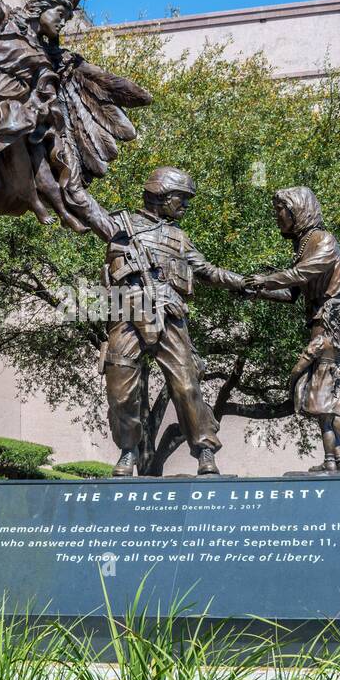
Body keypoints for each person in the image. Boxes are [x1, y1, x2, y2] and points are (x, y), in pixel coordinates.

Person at [72, 167, 246, 476]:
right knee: (120, 389)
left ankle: (205, 450)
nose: (186, 206)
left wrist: (246, 283)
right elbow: (82, 203)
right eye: (182, 199)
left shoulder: (179, 238)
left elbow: (207, 270)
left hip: (169, 314)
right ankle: (128, 450)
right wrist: (69, 167)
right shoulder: (118, 226)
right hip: (126, 316)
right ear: (162, 195)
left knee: (186, 384)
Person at [243, 186, 340, 473]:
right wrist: (256, 292)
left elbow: (305, 273)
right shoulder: (303, 244)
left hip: (333, 320)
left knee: (336, 390)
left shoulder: (323, 239)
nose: (277, 216)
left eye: (280, 210)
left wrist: (265, 280)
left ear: (297, 209)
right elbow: (292, 293)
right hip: (324, 318)